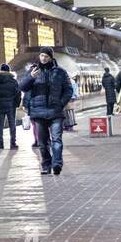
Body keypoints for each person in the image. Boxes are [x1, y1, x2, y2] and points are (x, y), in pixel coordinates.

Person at [18, 46, 73, 176]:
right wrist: (30, 77)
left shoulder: (60, 72)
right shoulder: (32, 71)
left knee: (57, 140)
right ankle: (46, 165)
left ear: (51, 58)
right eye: (42, 56)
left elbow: (68, 90)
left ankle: (57, 164)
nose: (43, 58)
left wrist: (61, 103)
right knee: (42, 143)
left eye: (46, 56)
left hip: (55, 112)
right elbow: (22, 87)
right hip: (38, 112)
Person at [0, 62, 19, 150]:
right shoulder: (13, 80)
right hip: (11, 105)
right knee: (12, 124)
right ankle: (13, 144)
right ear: (9, 71)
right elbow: (18, 93)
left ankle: (1, 144)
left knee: (0, 125)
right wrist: (16, 104)